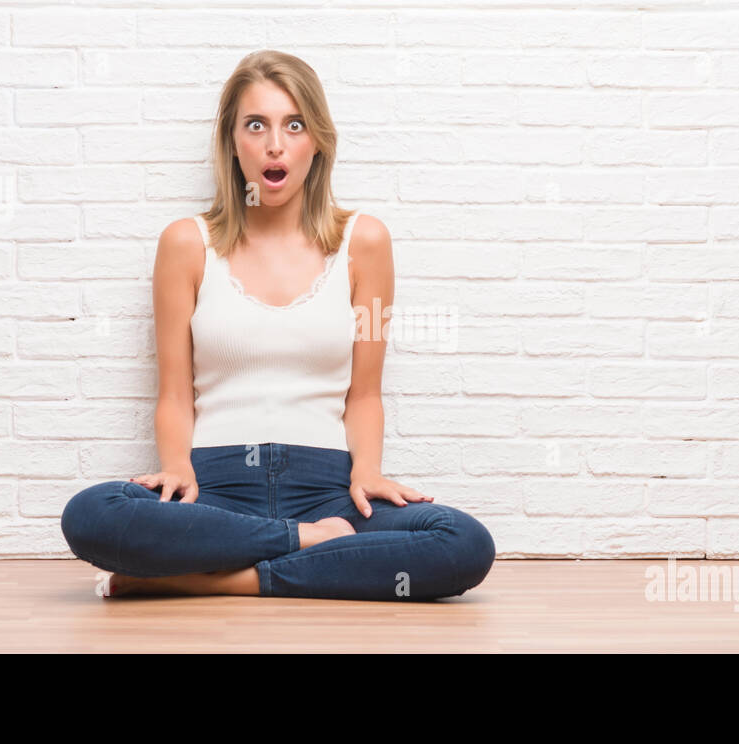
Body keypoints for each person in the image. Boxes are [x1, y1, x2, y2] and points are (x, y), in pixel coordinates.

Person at [60, 50, 496, 601]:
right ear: (232, 141)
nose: (275, 144)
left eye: (294, 125)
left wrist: (368, 471)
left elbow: (364, 394)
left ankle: (222, 580)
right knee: (92, 513)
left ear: (317, 140)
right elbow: (173, 393)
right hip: (214, 490)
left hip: (329, 493)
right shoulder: (186, 244)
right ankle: (305, 544)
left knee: (463, 543)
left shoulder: (364, 243)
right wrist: (176, 468)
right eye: (256, 125)